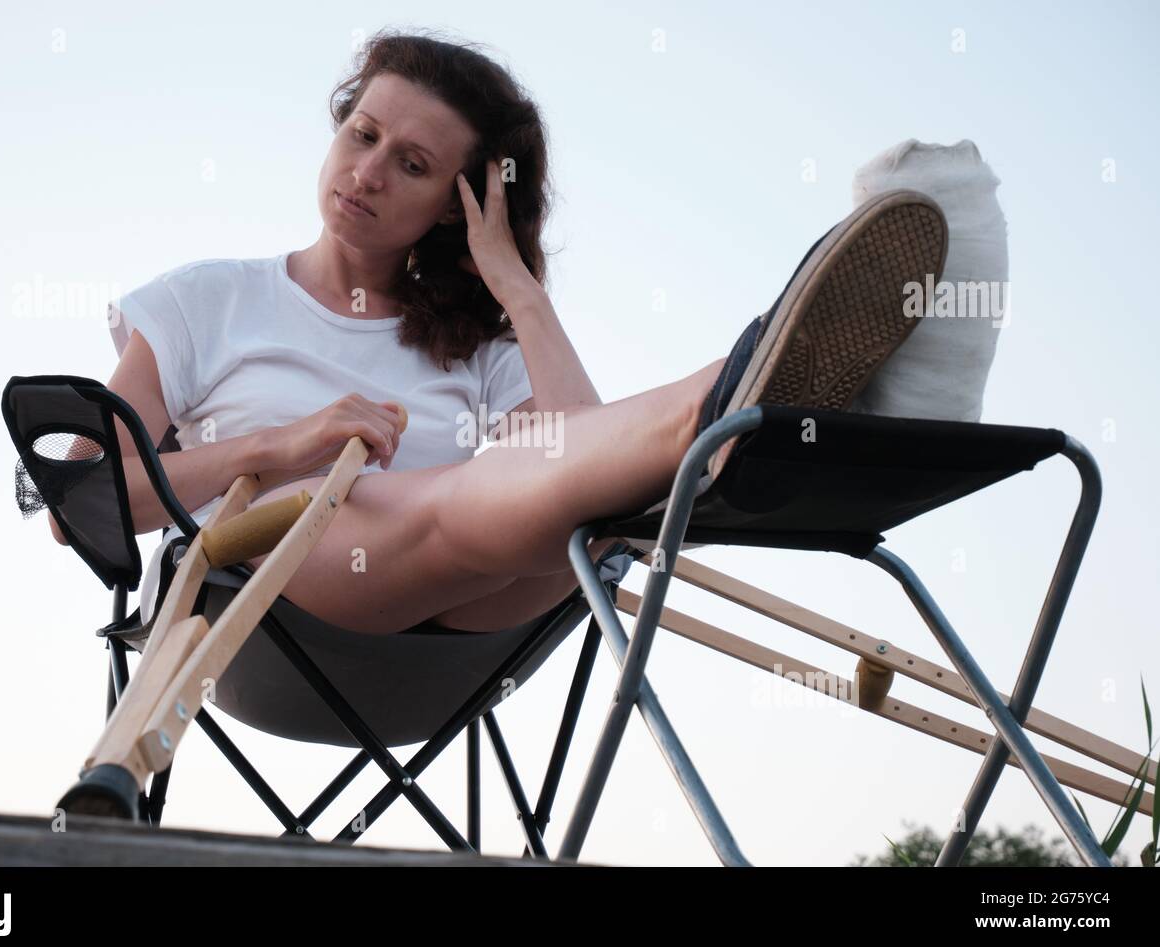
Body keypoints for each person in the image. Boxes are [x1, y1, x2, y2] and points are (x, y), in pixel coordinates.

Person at [61, 29, 944, 636]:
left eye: (411, 165)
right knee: (455, 498)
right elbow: (77, 503)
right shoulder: (202, 300)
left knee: (584, 503)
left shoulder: (471, 342)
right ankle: (724, 415)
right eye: (362, 135)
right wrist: (288, 441)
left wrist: (518, 289)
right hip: (273, 594)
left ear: (457, 206)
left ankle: (734, 413)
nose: (366, 173)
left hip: (482, 611)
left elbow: (578, 451)